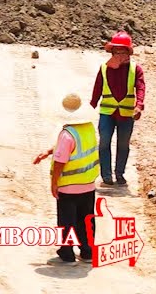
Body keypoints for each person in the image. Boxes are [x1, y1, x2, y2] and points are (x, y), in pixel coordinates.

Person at [33, 93, 99, 264]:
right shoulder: (89, 128)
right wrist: (49, 151)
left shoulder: (66, 134)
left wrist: (54, 183)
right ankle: (87, 251)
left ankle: (67, 252)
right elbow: (75, 149)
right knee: (86, 220)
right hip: (88, 184)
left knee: (67, 221)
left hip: (69, 187)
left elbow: (61, 161)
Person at [90, 30, 146, 186]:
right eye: (116, 51)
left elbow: (141, 87)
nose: (119, 54)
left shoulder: (136, 69)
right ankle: (106, 176)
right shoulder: (104, 68)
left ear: (128, 52)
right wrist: (92, 103)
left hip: (127, 115)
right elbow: (98, 87)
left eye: (123, 51)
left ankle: (119, 174)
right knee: (104, 143)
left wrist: (139, 105)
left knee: (123, 145)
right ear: (112, 51)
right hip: (107, 113)